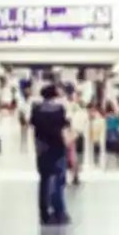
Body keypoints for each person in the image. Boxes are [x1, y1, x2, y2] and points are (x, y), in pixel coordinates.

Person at [30, 84, 73, 225]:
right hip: (58, 148)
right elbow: (64, 127)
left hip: (42, 149)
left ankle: (44, 213)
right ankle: (59, 212)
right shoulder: (60, 109)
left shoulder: (36, 109)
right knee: (58, 181)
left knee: (44, 180)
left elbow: (33, 126)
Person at [70, 102, 90, 185]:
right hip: (80, 135)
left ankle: (74, 174)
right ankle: (76, 175)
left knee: (73, 155)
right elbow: (87, 126)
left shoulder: (74, 114)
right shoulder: (85, 114)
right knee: (79, 155)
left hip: (72, 134)